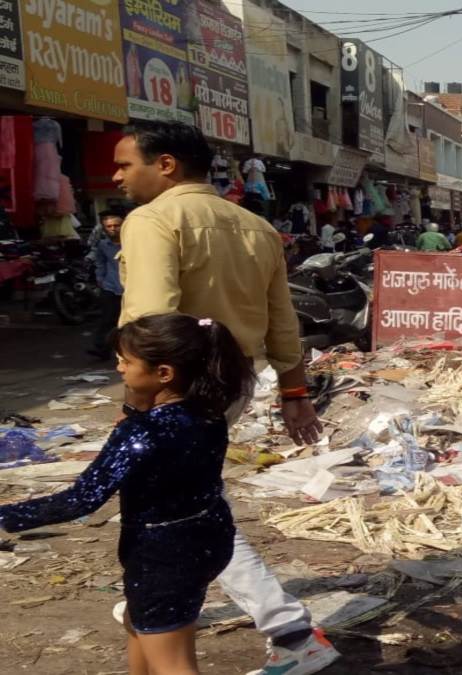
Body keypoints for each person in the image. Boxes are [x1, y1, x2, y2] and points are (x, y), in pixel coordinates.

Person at [112, 121, 338, 675]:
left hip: (175, 384)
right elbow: (282, 317)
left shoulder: (154, 219)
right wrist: (293, 390)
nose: (115, 175)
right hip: (234, 381)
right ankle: (156, 602)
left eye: (124, 164)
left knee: (185, 511)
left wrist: (140, 404)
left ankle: (288, 629)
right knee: (190, 505)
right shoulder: (255, 226)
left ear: (165, 165)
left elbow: (151, 318)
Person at [0, 313, 254, 675]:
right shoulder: (208, 415)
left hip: (161, 552)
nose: (118, 368)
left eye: (126, 361)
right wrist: (135, 406)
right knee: (143, 624)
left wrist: (6, 516)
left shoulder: (142, 433)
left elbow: (81, 500)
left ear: (164, 373)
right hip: (207, 535)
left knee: (173, 662)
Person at [88, 210, 125, 360]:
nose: (113, 229)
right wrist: (100, 278)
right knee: (107, 320)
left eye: (116, 225)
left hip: (130, 287)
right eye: (109, 226)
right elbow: (100, 262)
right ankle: (101, 349)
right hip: (110, 286)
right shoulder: (103, 245)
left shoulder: (133, 243)